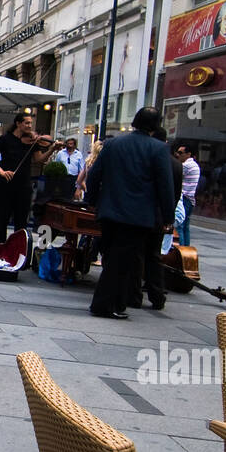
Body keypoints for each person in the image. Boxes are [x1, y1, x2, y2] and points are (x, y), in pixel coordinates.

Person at [86, 107, 176, 319]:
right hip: (137, 216)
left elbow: (94, 175)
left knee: (112, 257)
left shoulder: (113, 143)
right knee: (123, 261)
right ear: (155, 125)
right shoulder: (158, 149)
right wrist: (168, 217)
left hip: (109, 211)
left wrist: (92, 201)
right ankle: (104, 304)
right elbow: (165, 185)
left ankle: (116, 303)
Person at [0, 113, 57, 245]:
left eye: (31, 123)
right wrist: (1, 172)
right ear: (18, 124)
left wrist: (52, 149)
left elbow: (39, 159)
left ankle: (18, 251)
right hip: (6, 185)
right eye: (27, 123)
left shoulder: (32, 142)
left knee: (21, 222)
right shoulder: (5, 139)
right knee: (3, 219)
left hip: (24, 186)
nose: (30, 126)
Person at [175, 144, 200, 245]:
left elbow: (175, 173)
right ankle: (186, 249)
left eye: (181, 153)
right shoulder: (194, 165)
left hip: (184, 198)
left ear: (188, 154)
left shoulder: (186, 165)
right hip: (190, 199)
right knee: (185, 227)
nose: (178, 155)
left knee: (180, 225)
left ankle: (181, 249)